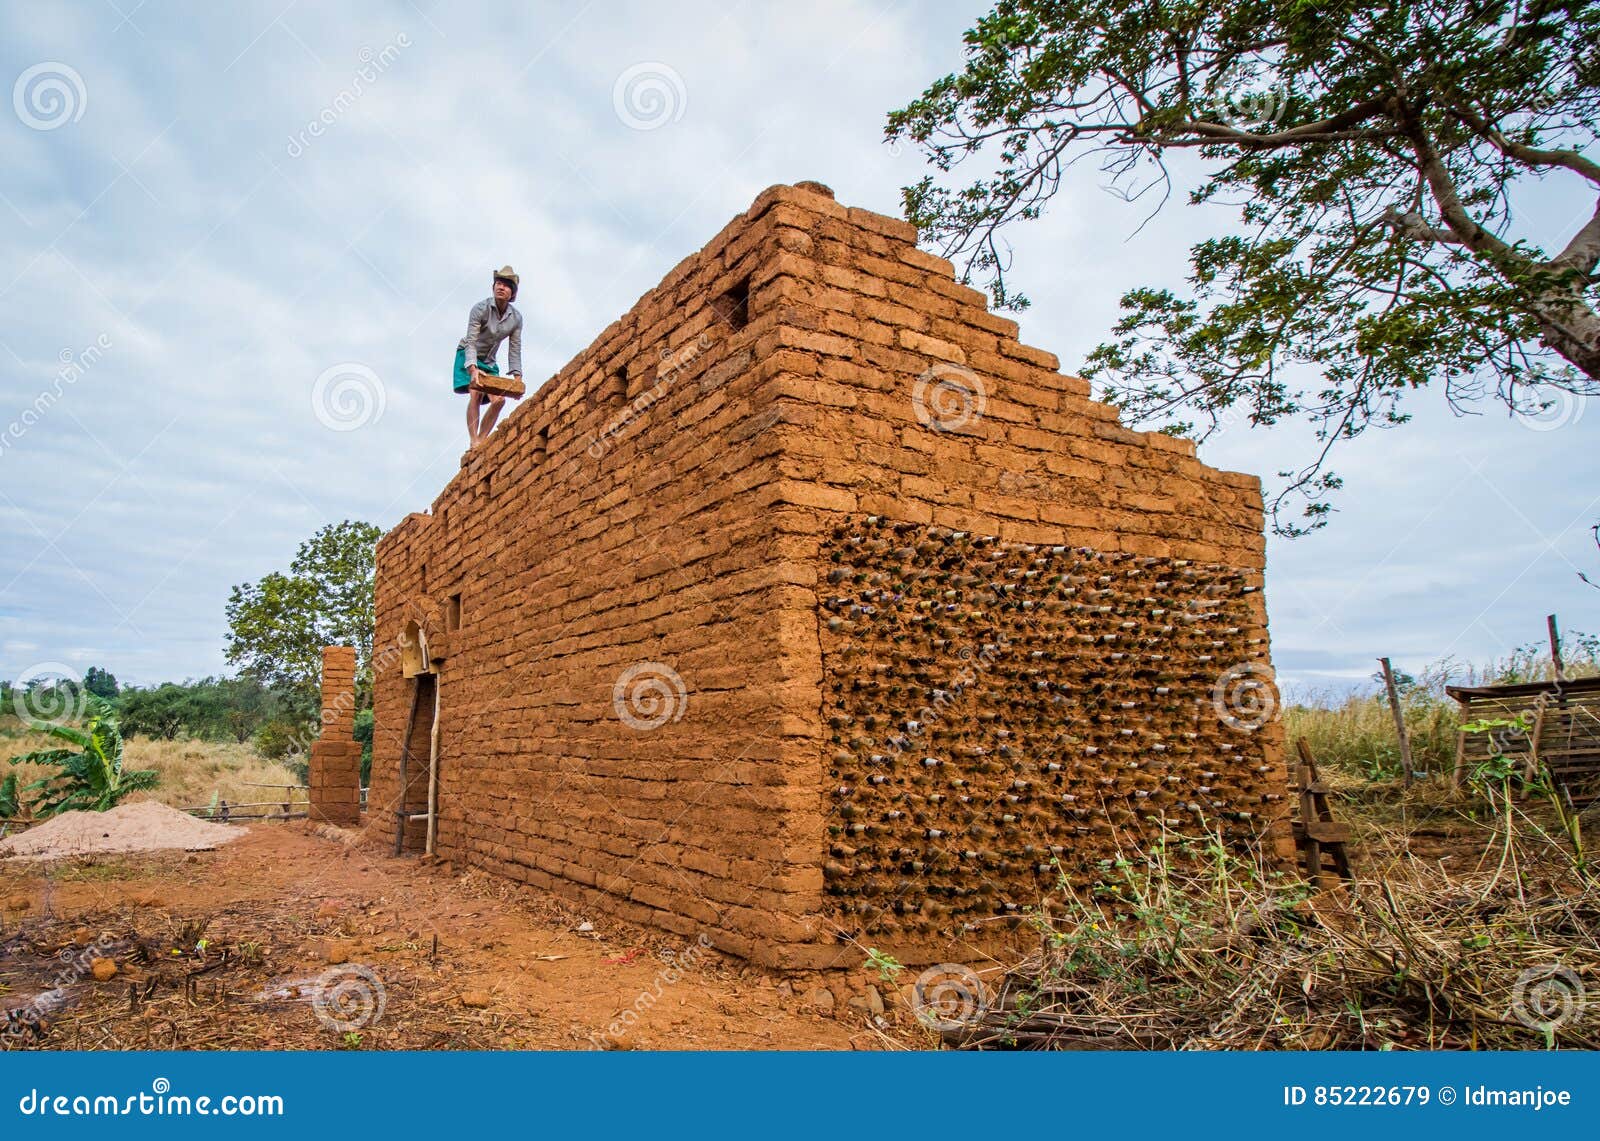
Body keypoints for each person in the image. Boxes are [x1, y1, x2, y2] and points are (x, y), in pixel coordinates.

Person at [454, 266, 523, 448]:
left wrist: (517, 379)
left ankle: (482, 440)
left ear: (512, 294)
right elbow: (471, 341)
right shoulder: (480, 309)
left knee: (499, 400)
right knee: (476, 392)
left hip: (489, 362)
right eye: (498, 283)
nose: (501, 287)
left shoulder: (516, 319)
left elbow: (514, 348)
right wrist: (473, 369)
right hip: (469, 354)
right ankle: (474, 441)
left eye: (506, 285)